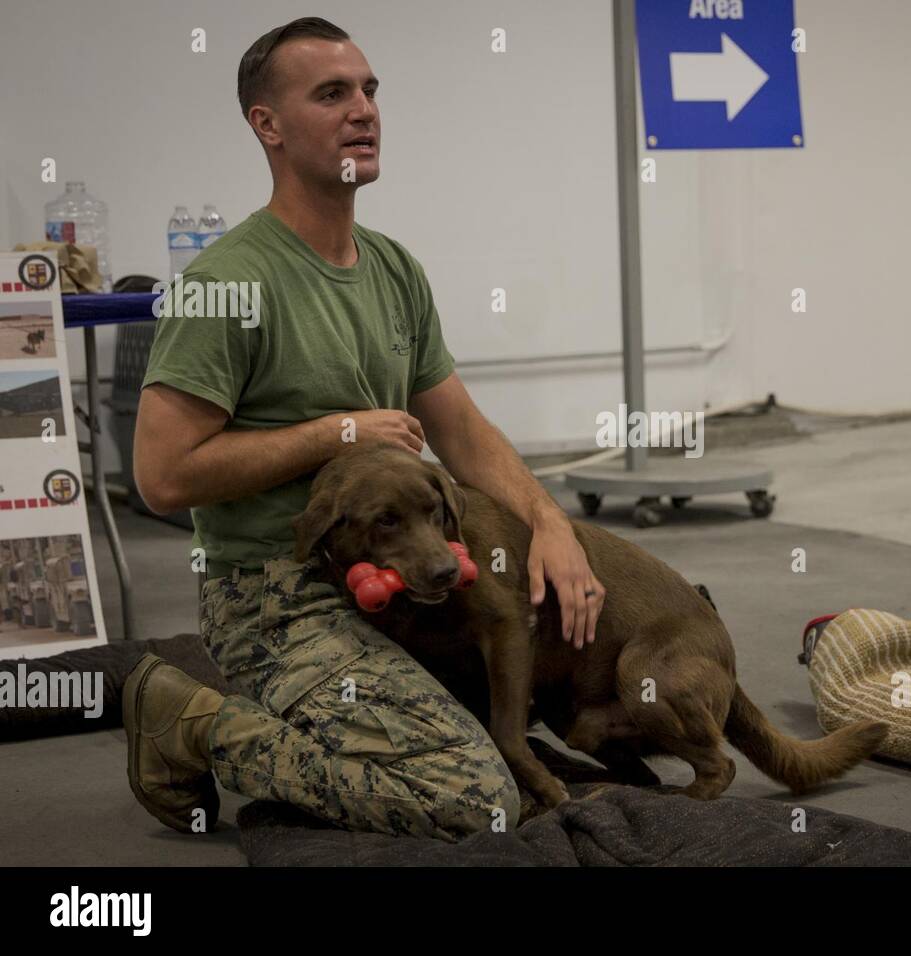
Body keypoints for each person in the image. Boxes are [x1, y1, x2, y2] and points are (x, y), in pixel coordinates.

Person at [124, 17, 605, 841]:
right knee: (476, 798)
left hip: (393, 579)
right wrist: (332, 435)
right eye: (332, 93)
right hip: (275, 595)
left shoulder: (391, 267)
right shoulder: (226, 281)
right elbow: (162, 476)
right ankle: (192, 724)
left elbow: (460, 431)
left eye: (370, 91)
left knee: (541, 711)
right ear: (266, 125)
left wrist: (550, 521)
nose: (364, 111)